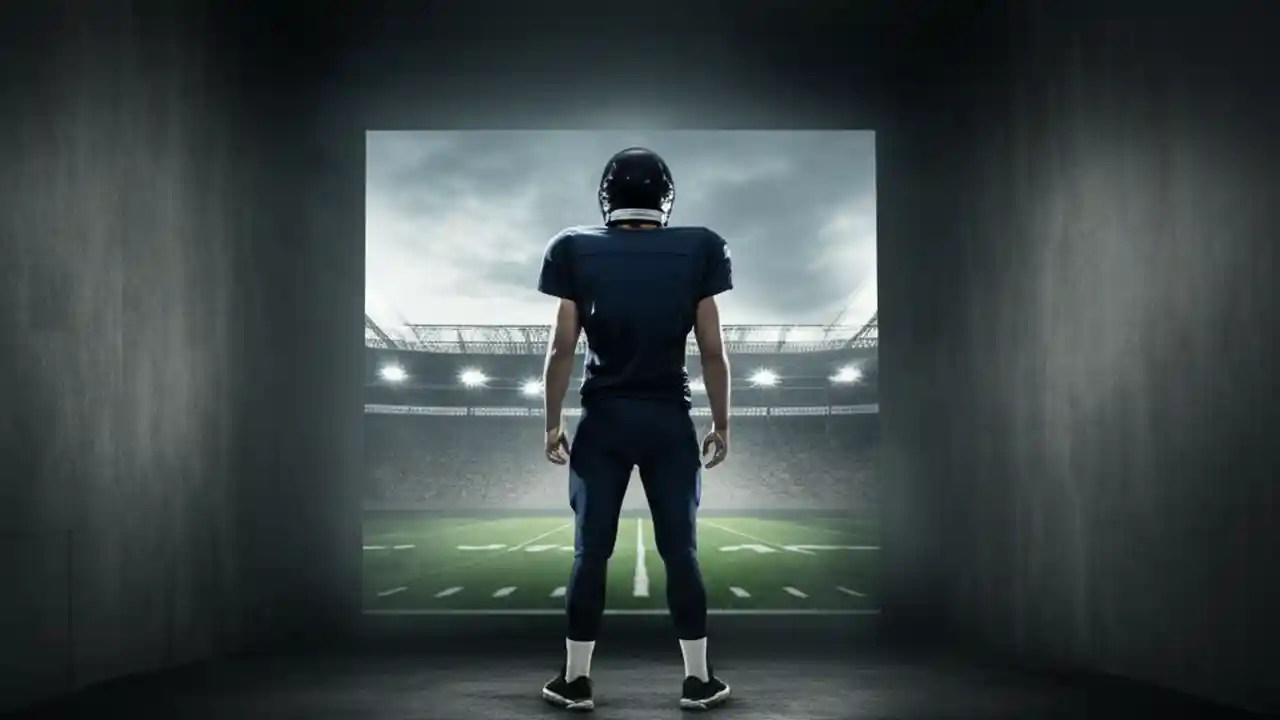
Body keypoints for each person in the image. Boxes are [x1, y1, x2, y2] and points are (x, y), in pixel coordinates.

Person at [537, 147, 733, 711]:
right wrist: (721, 424)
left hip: (603, 420)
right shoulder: (700, 246)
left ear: (607, 195)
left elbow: (561, 349)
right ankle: (698, 681)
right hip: (669, 419)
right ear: (665, 196)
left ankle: (575, 682)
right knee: (681, 552)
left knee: (589, 554)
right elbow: (714, 353)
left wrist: (552, 424)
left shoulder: (572, 246)